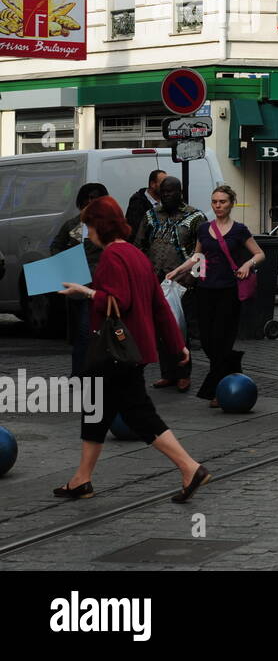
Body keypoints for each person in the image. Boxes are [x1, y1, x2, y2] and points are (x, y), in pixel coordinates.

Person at [55, 196, 210, 503]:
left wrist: (84, 291)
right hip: (132, 351)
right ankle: (82, 479)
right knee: (98, 411)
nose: (87, 232)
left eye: (87, 225)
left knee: (138, 414)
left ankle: (190, 467)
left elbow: (118, 301)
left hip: (114, 352)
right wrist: (178, 345)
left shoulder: (113, 257)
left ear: (98, 226)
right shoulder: (137, 255)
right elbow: (159, 307)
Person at [166, 185, 265, 407]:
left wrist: (247, 264)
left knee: (221, 340)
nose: (218, 205)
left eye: (222, 202)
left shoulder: (240, 230)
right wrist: (178, 270)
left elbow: (260, 253)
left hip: (229, 291)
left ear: (231, 204)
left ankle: (216, 391)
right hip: (205, 290)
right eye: (214, 202)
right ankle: (233, 366)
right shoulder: (203, 228)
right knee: (208, 342)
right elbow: (197, 256)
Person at [134, 176, 206, 392]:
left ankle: (184, 374)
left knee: (180, 329)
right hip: (155, 280)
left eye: (171, 192)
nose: (166, 196)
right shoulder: (150, 215)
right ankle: (168, 374)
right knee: (160, 330)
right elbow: (139, 245)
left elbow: (202, 253)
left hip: (182, 283)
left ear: (180, 192)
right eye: (163, 192)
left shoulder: (195, 217)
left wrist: (193, 278)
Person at [50, 183, 109, 375]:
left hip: (98, 286)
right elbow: (56, 246)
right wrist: (65, 262)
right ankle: (79, 372)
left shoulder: (107, 225)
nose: (92, 201)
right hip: (76, 287)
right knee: (79, 335)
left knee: (87, 332)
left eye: (96, 198)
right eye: (89, 198)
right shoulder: (72, 224)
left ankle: (86, 373)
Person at [126, 169, 166, 241]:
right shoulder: (137, 203)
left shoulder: (166, 201)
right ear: (153, 184)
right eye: (163, 183)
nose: (167, 187)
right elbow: (135, 231)